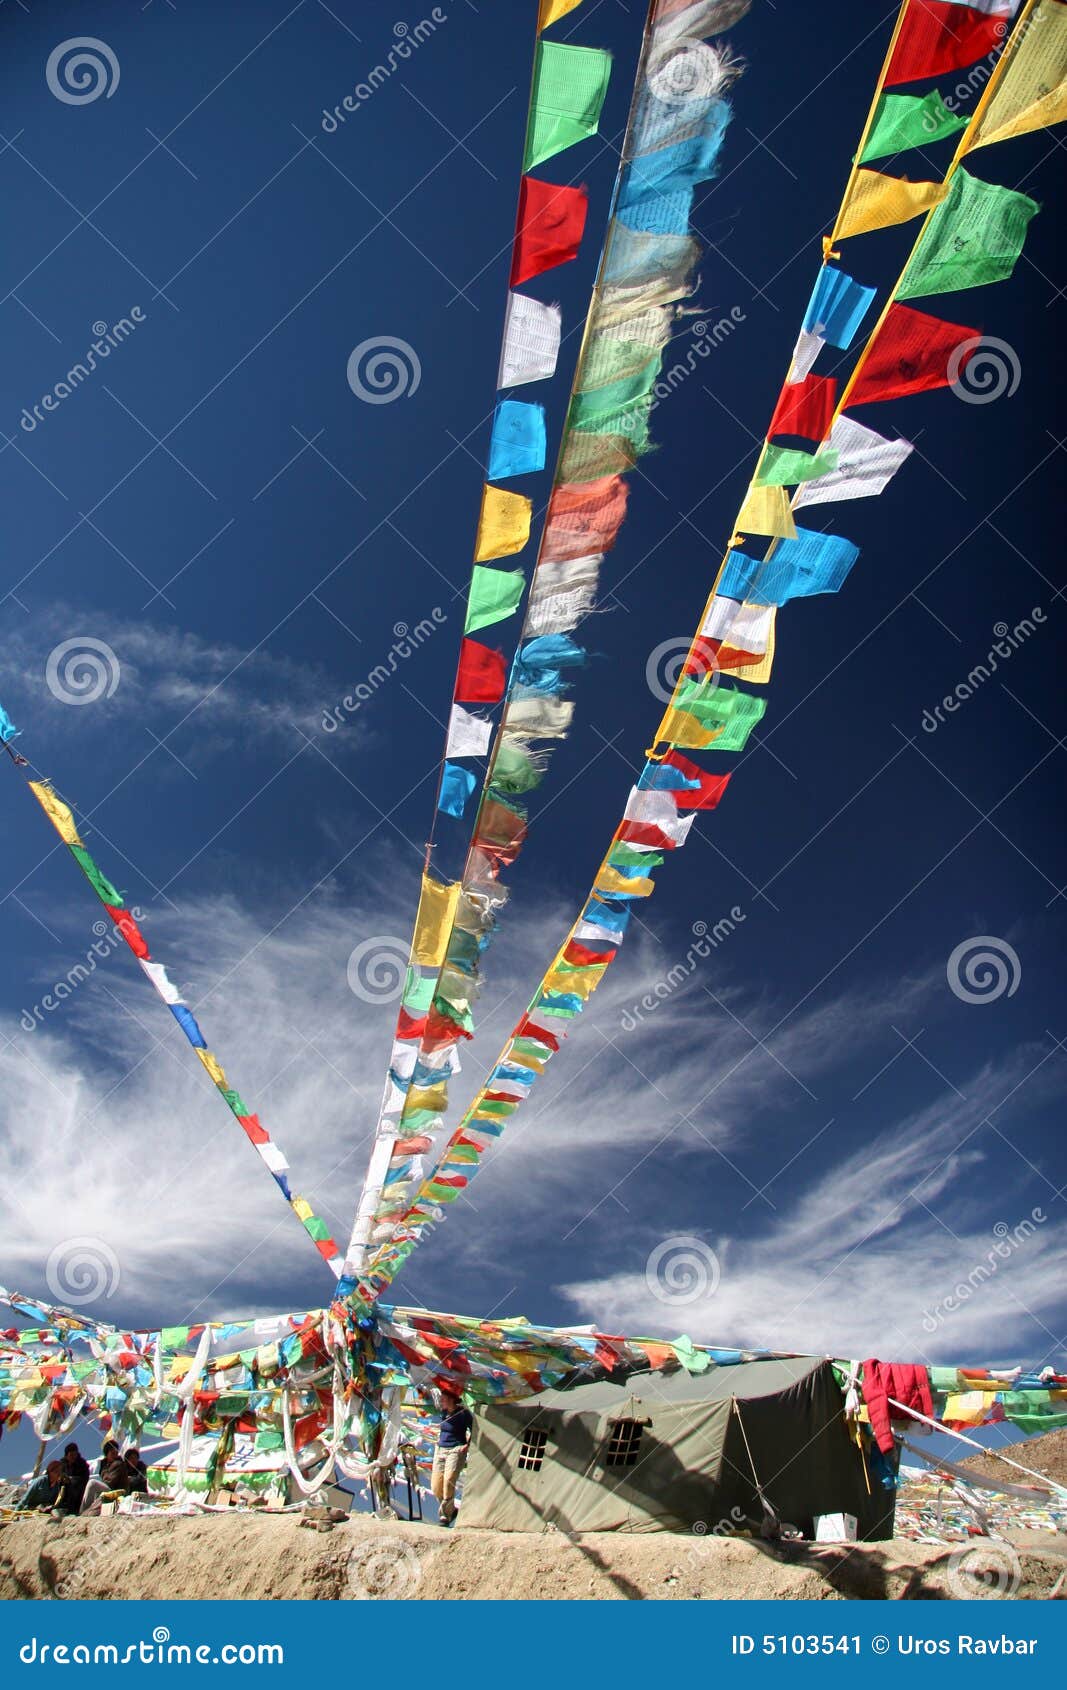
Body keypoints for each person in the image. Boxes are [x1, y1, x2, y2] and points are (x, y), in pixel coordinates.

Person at [431, 1383, 472, 1527]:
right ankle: (451, 1509)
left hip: (456, 1449)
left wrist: (467, 1445)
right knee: (436, 1486)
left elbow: (475, 1429)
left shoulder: (463, 1414)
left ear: (452, 1399)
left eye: (444, 1398)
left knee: (449, 1480)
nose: (441, 1401)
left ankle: (445, 1515)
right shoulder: (443, 1413)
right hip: (441, 1449)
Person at [79, 1443, 127, 1515]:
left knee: (92, 1483)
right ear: (107, 1454)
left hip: (115, 1491)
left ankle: (82, 1511)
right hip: (108, 1489)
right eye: (112, 1453)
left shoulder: (118, 1464)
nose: (115, 1455)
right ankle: (86, 1511)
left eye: (116, 1453)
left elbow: (110, 1482)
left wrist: (103, 1475)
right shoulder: (105, 1465)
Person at [61, 1444, 91, 1514]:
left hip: (78, 1489)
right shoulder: (62, 1464)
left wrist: (71, 1480)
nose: (73, 1457)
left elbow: (84, 1479)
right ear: (66, 1455)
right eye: (71, 1455)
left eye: (75, 1454)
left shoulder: (82, 1464)